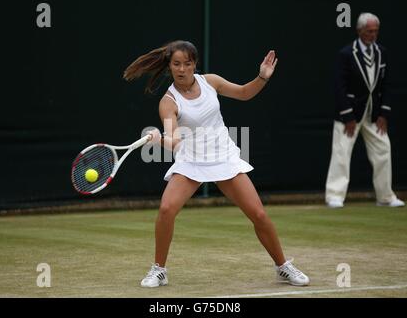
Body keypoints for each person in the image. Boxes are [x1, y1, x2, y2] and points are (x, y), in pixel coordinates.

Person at [123, 40, 309, 288]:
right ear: (169, 66)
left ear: (194, 64)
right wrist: (160, 139)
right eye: (176, 64)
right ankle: (159, 270)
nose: (181, 69)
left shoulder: (210, 81)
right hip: (191, 160)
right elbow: (176, 141)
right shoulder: (168, 102)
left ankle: (283, 266)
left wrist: (262, 77)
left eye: (187, 64)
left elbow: (244, 93)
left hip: (223, 156)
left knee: (258, 214)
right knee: (167, 209)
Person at [325, 13, 405, 209]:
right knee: (341, 153)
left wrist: (384, 114)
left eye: (376, 31)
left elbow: (385, 85)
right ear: (360, 31)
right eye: (369, 31)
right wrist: (348, 116)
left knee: (383, 150)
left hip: (373, 114)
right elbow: (339, 86)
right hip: (350, 115)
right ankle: (334, 196)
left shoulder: (381, 52)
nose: (373, 35)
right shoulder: (346, 54)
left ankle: (385, 197)